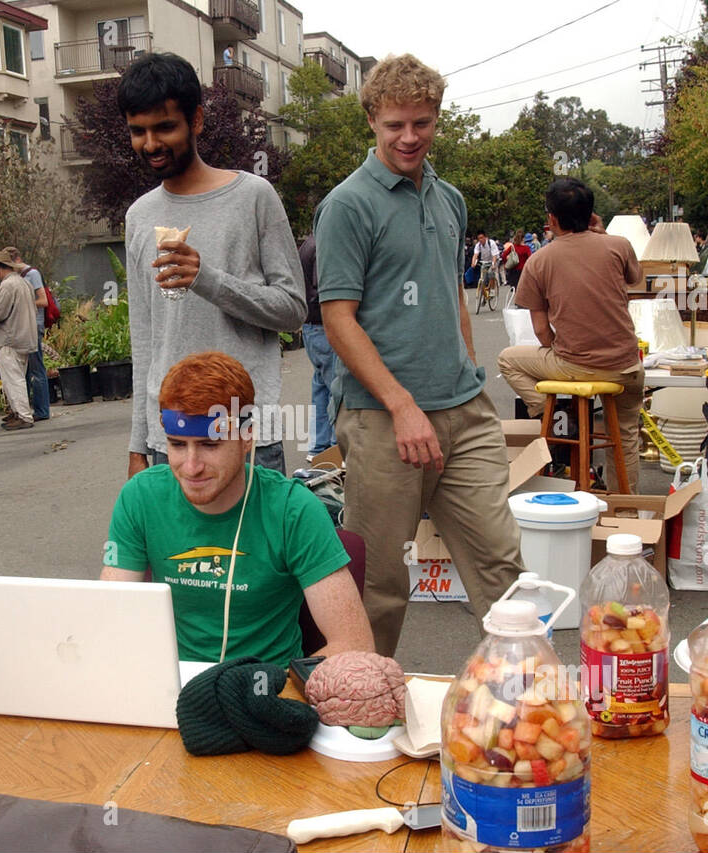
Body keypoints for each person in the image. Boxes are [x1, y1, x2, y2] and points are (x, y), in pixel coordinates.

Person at [313, 53, 524, 657]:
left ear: (437, 120)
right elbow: (338, 319)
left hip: (464, 412)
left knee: (500, 562)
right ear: (373, 122)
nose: (410, 137)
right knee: (380, 582)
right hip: (383, 420)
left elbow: (449, 294)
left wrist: (468, 369)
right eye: (395, 125)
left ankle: (521, 694)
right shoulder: (348, 206)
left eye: (423, 123)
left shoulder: (449, 198)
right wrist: (403, 405)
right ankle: (361, 707)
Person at [101, 352, 374, 663]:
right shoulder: (141, 496)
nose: (191, 467)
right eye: (177, 444)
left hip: (269, 693)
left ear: (248, 438)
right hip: (173, 690)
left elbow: (354, 644)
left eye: (209, 445)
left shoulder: (292, 510)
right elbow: (112, 617)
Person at [119, 52, 306, 479]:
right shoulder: (139, 216)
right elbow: (144, 337)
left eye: (164, 127)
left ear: (197, 120)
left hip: (245, 430)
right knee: (182, 551)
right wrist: (137, 444)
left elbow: (293, 310)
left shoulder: (254, 196)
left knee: (252, 548)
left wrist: (209, 281)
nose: (150, 144)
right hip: (172, 438)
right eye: (138, 131)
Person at [497, 177, 644, 491]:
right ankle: (625, 505)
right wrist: (601, 234)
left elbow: (540, 329)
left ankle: (551, 412)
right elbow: (636, 278)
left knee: (507, 359)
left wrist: (557, 353)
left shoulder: (539, 261)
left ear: (551, 219)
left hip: (576, 365)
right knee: (627, 433)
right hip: (628, 366)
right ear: (592, 214)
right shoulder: (618, 245)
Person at [0, 249, 37, 430]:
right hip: (26, 336)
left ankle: (24, 416)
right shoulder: (24, 283)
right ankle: (18, 412)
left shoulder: (8, 285)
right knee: (18, 376)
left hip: (10, 338)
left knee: (13, 379)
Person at [298, 233, 337, 460]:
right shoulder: (324, 244)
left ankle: (319, 446)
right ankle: (333, 448)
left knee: (321, 387)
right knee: (336, 389)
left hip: (311, 326)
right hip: (324, 326)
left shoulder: (308, 243)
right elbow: (324, 287)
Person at [3, 246, 51, 422]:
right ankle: (24, 409)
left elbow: (43, 301)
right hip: (21, 327)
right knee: (23, 370)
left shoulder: (32, 274)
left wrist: (22, 303)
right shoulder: (17, 278)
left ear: (16, 261)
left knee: (36, 368)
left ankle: (42, 410)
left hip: (33, 325)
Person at [470, 229, 499, 309]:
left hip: (493, 260)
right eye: (479, 238)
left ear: (486, 237)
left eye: (482, 238)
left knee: (490, 273)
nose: (481, 240)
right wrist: (473, 263)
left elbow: (494, 255)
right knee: (482, 279)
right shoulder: (478, 245)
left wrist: (493, 264)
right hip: (484, 262)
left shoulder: (491, 243)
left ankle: (492, 290)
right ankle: (484, 296)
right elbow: (475, 255)